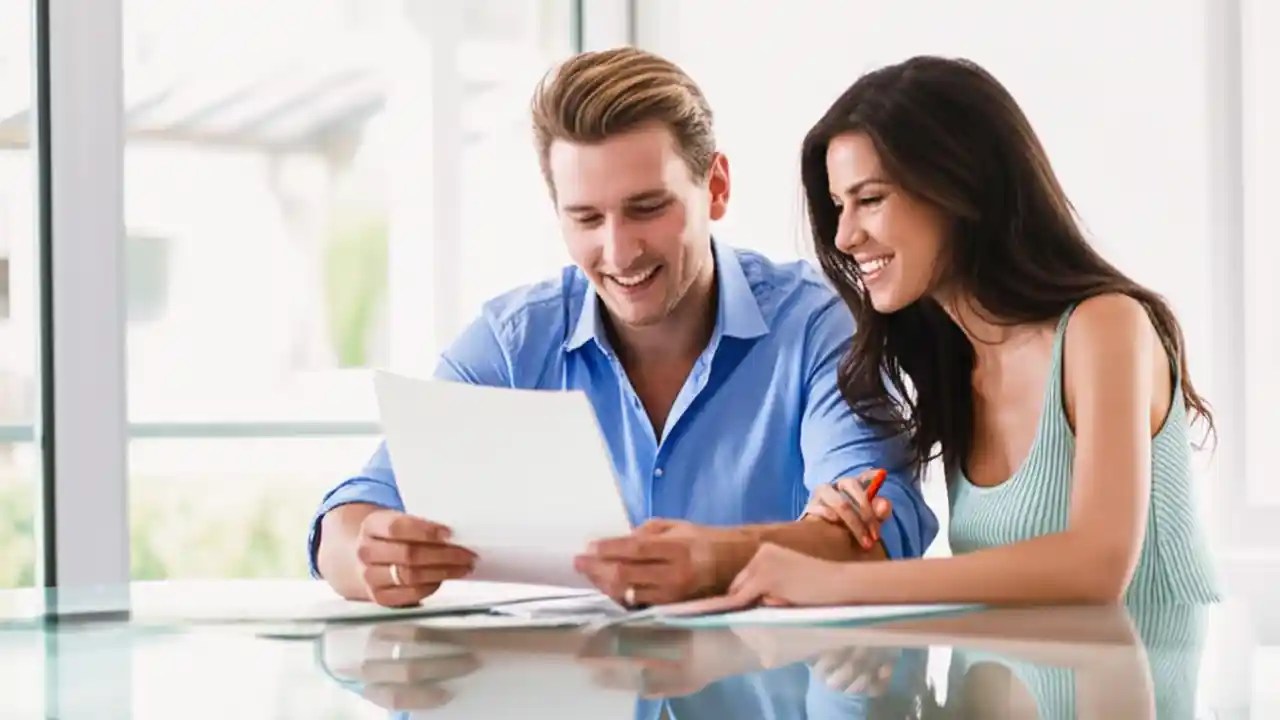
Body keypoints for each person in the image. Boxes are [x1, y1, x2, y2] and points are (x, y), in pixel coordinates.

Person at [308, 47, 937, 608]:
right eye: (586, 218)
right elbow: (354, 512)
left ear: (715, 187)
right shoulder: (512, 342)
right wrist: (369, 555)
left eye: (647, 208)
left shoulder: (814, 326)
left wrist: (716, 558)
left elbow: (881, 532)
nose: (619, 251)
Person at [707, 55, 1220, 608]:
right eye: (837, 206)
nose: (845, 236)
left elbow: (1094, 568)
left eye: (870, 199)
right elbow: (1003, 587)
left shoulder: (1105, 326)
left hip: (1141, 691)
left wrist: (838, 584)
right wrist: (842, 525)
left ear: (962, 189)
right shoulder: (954, 366)